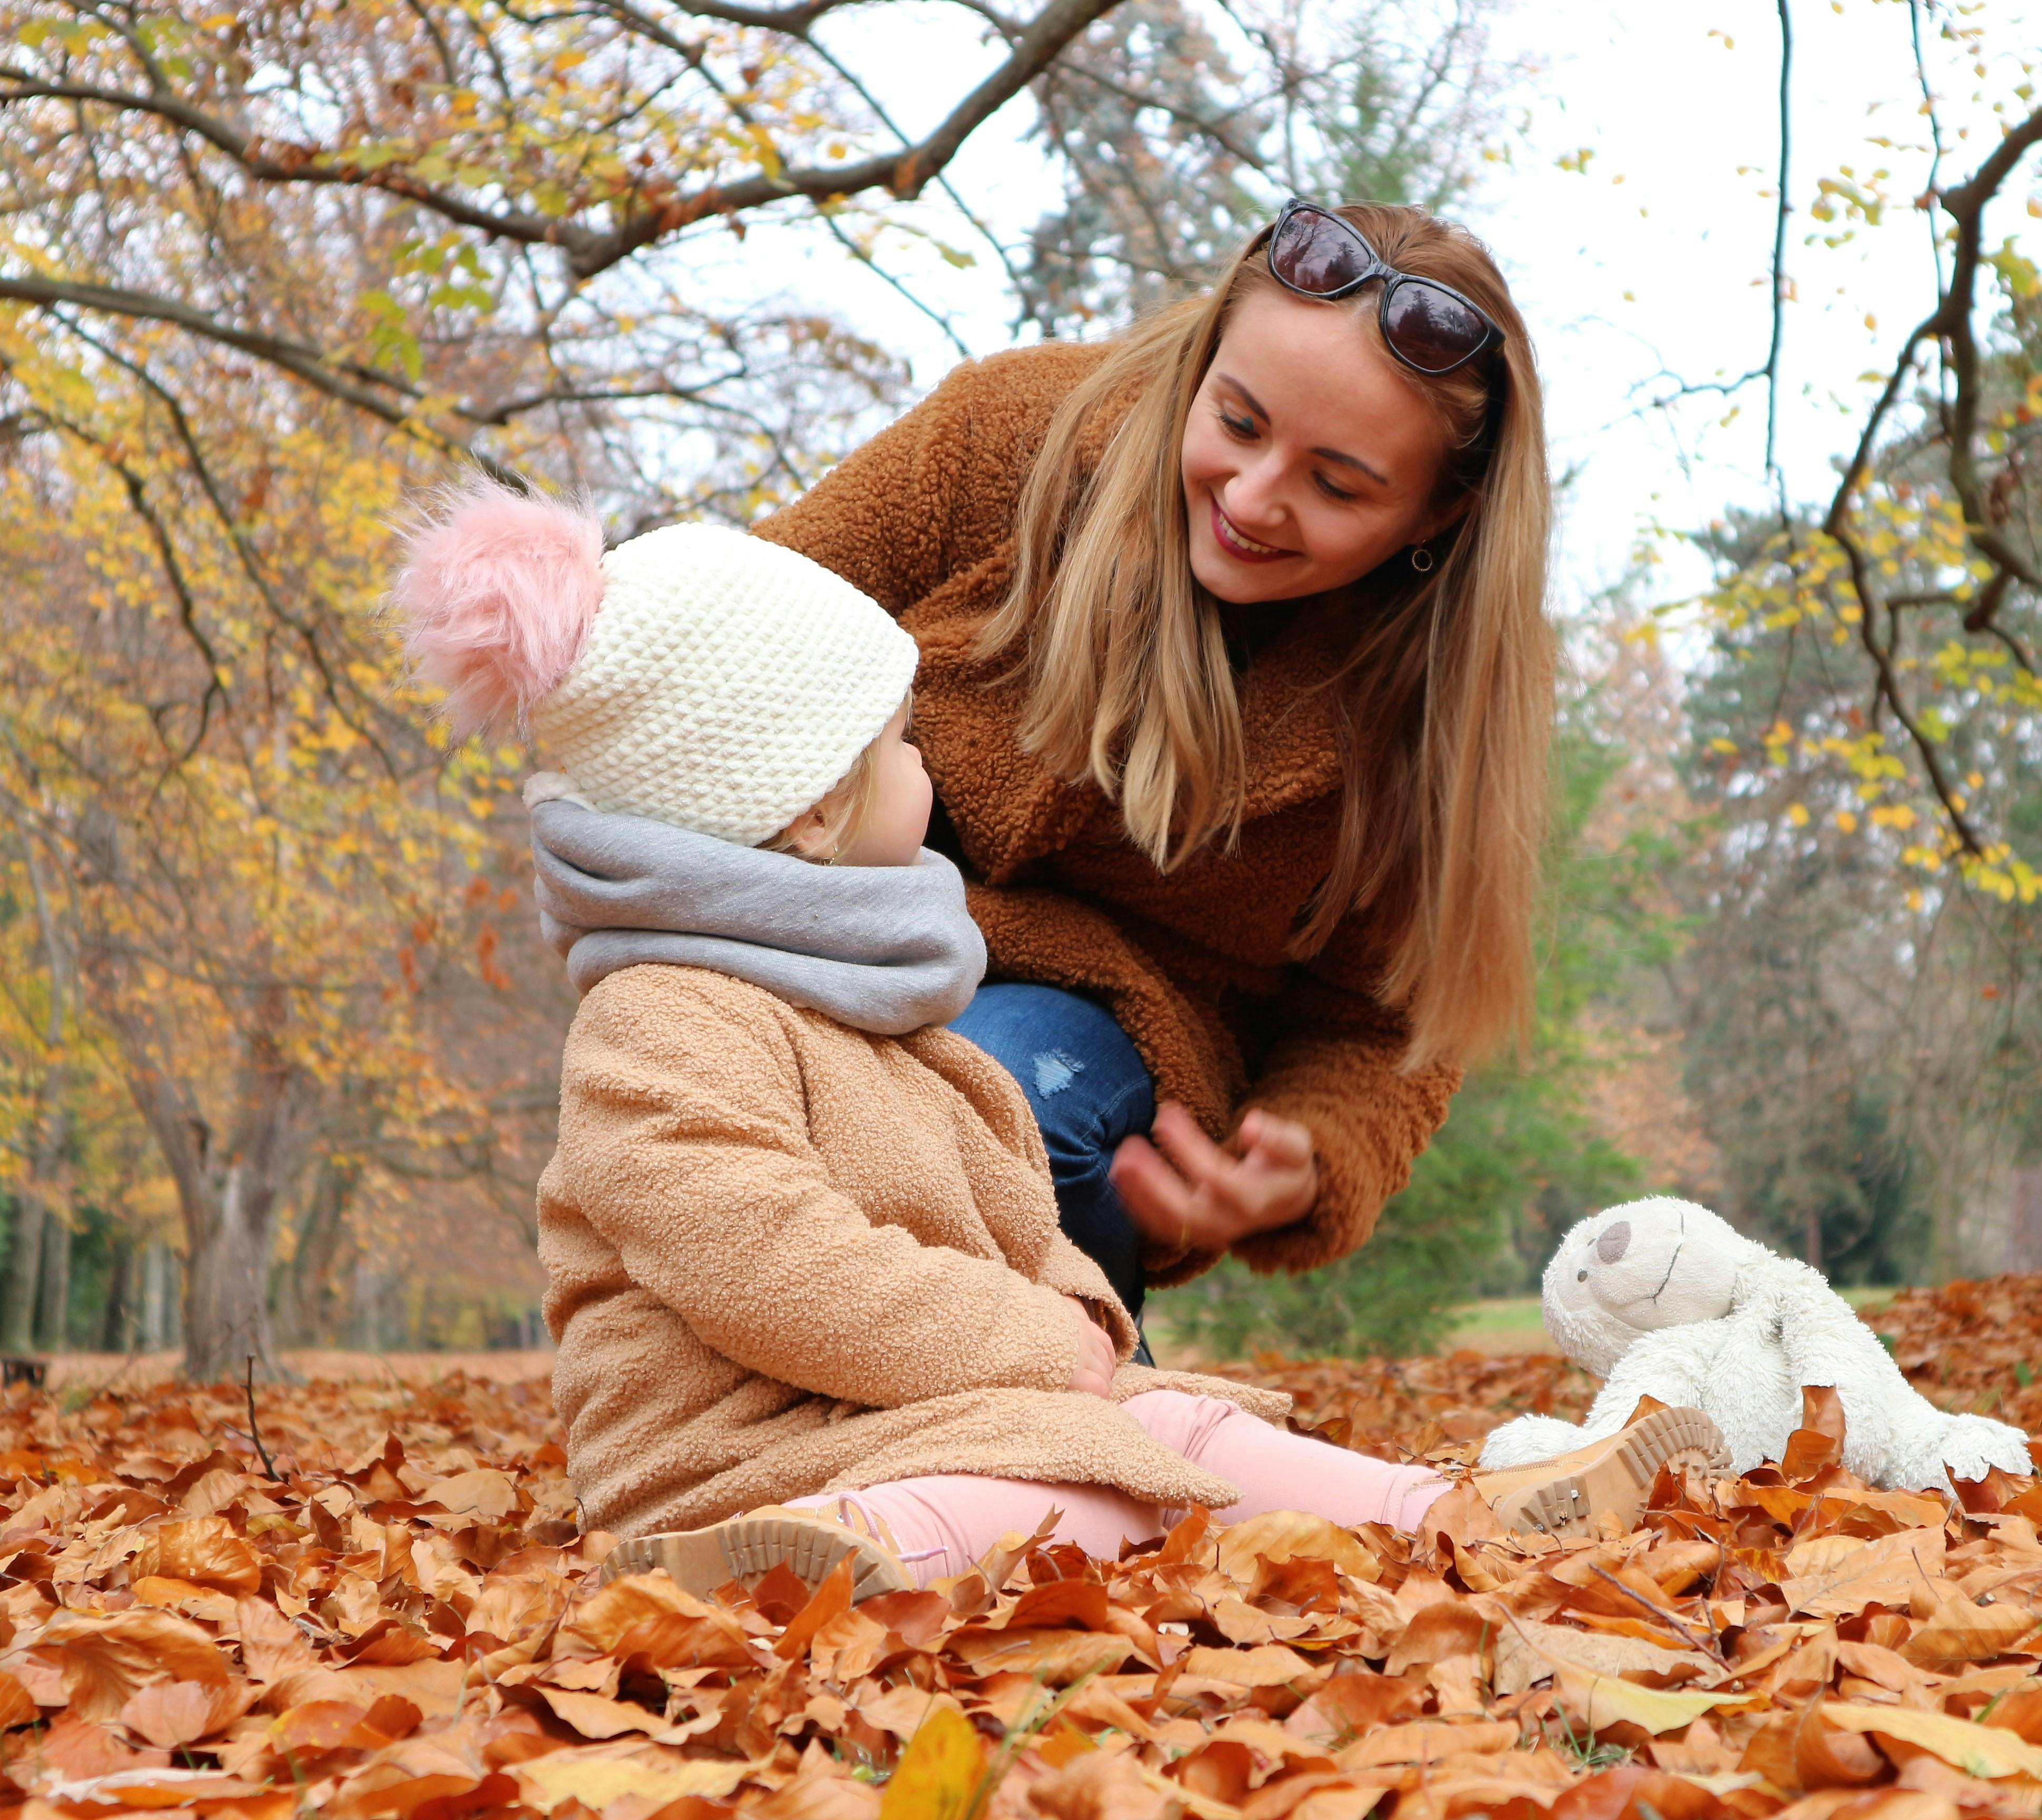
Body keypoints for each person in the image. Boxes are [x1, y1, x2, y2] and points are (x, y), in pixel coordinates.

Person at [386, 477, 1721, 1599]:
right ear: (801, 811)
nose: (932, 768)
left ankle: (1450, 1520)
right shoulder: (663, 1020)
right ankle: (822, 1560)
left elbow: (1017, 1219)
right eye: (903, 743)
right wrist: (1030, 1346)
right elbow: (759, 1254)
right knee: (1112, 1495)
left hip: (903, 1410)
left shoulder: (886, 1015)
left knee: (1159, 1431)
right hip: (732, 1453)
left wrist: (1079, 1327)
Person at [753, 200, 1557, 1336]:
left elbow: (1381, 1032)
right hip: (817, 936)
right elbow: (742, 620)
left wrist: (1311, 1157)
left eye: (1337, 485)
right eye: (1237, 420)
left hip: (1109, 1026)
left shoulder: (1423, 714)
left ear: (1440, 512)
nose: (1252, 496)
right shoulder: (1009, 436)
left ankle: (1047, 1449)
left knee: (987, 1096)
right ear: (1203, 363)